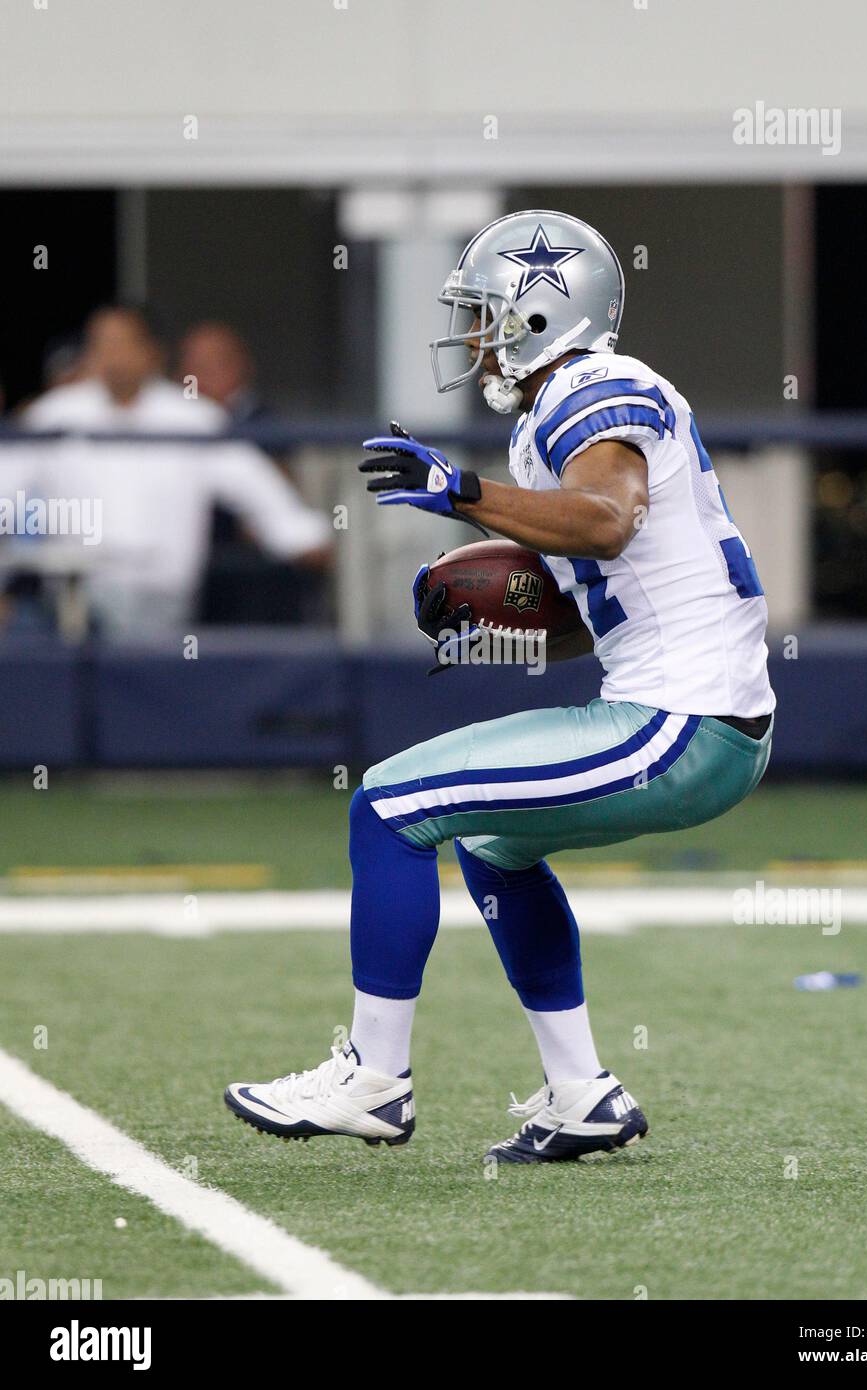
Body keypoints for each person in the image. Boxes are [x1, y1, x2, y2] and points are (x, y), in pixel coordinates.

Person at [225, 210, 775, 1163]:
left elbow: (604, 521)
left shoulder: (591, 391)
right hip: (690, 709)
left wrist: (460, 494)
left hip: (679, 718)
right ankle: (581, 1095)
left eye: (485, 309)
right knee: (488, 846)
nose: (471, 331)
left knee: (387, 805)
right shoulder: (557, 414)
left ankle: (372, 1079)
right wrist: (500, 631)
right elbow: (600, 600)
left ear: (538, 314)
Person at [12, 305, 330, 640]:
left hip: (162, 605)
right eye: (102, 344)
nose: (113, 356)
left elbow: (258, 491)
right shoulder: (53, 415)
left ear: (152, 352)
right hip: (73, 607)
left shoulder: (191, 419)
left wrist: (305, 536)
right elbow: (6, 487)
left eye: (123, 343)